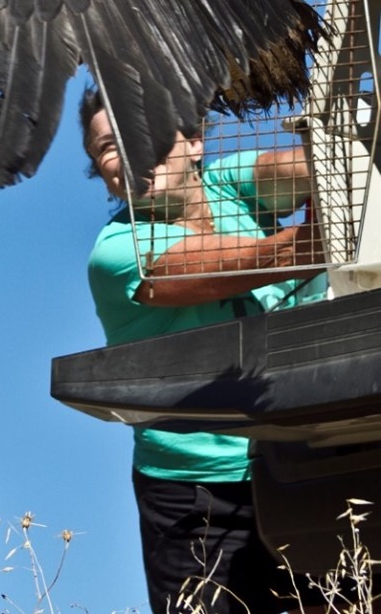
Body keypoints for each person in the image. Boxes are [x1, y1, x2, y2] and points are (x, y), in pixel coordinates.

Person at [79, 87, 327, 614]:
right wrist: (334, 224)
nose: (125, 151)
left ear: (193, 141)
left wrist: (345, 143)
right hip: (197, 493)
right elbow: (269, 258)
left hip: (302, 454)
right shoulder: (120, 252)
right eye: (105, 146)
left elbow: (309, 165)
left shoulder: (228, 183)